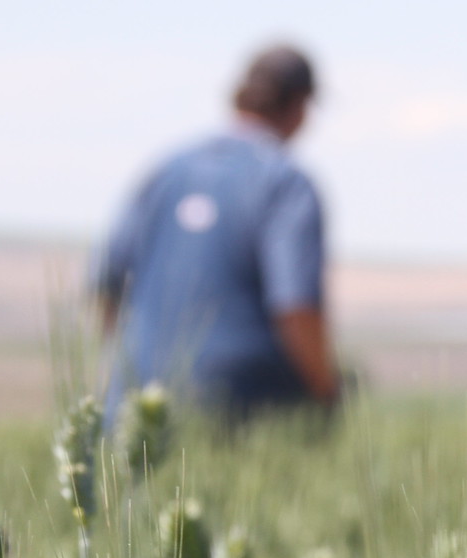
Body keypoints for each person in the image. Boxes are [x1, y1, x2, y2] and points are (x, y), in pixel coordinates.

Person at [95, 44, 343, 424]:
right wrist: (328, 392)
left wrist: (132, 376)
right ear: (298, 106)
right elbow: (297, 308)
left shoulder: (166, 171)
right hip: (244, 415)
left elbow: (106, 288)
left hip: (137, 412)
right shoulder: (285, 184)